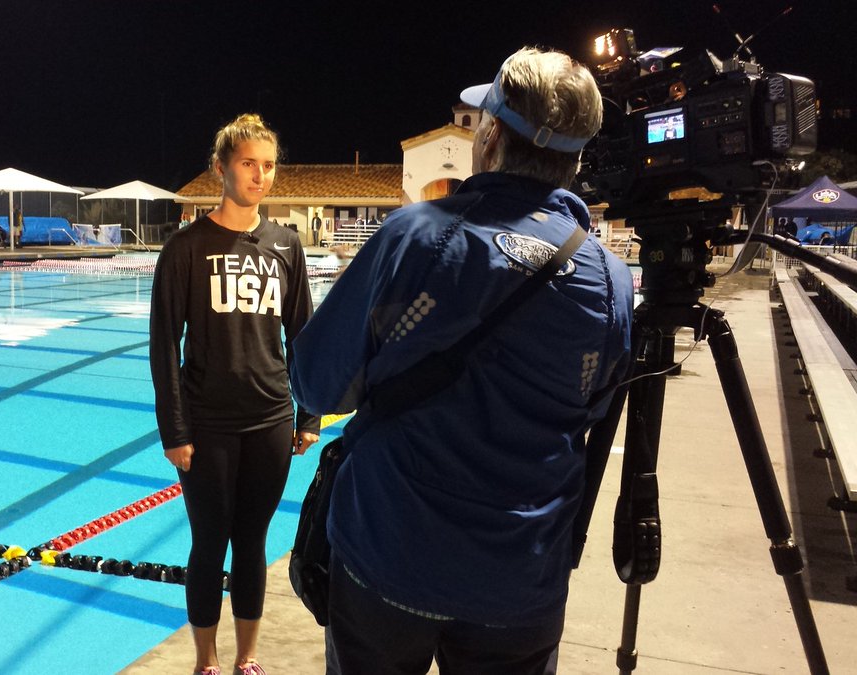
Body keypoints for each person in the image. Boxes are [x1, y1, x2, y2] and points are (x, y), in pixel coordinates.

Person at [289, 47, 634, 675]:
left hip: (391, 554)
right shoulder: (610, 278)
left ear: (492, 135)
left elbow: (317, 384)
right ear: (577, 158)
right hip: (520, 577)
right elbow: (595, 406)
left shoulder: (417, 236)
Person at [149, 113, 321, 675]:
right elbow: (163, 345)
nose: (260, 175)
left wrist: (309, 415)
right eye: (249, 163)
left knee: (252, 542)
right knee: (208, 542)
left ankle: (247, 657)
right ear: (220, 168)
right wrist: (175, 430)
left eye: (268, 165)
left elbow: (302, 336)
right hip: (207, 424)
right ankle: (206, 660)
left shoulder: (286, 245)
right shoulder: (186, 248)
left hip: (270, 418)